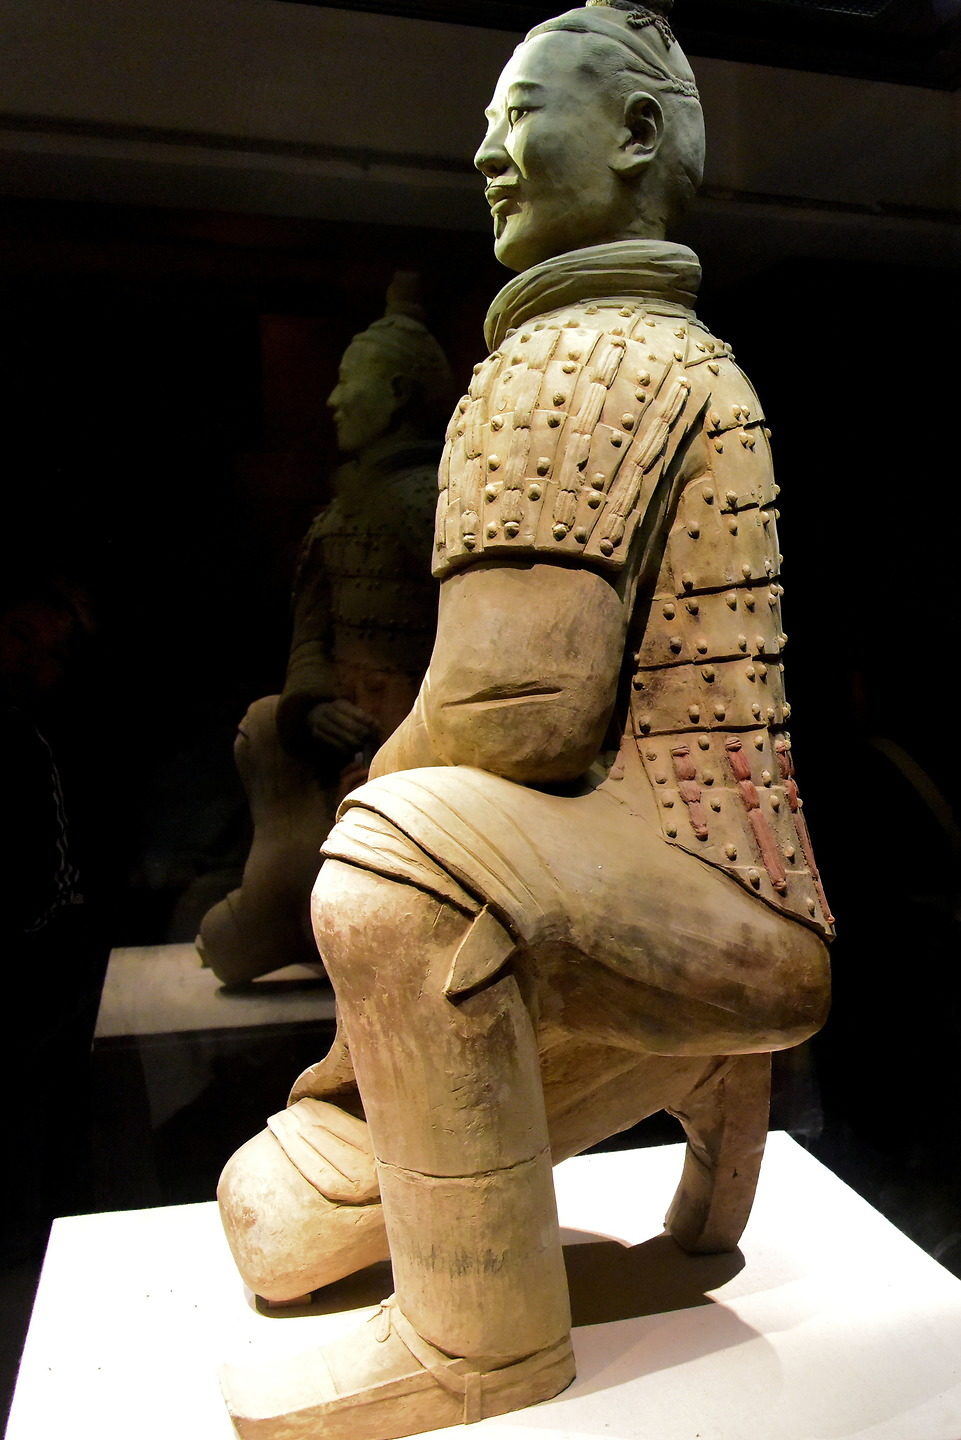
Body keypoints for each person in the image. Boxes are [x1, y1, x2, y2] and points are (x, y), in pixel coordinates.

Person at [220, 5, 833, 1435]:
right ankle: (685, 1120)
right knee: (274, 1212)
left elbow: (518, 711)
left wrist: (376, 827)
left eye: (520, 111)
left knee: (391, 863)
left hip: (697, 903)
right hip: (731, 899)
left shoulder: (575, 362)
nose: (485, 147)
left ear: (631, 137)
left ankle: (479, 1339)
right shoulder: (668, 354)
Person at [198, 277, 451, 985]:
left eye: (350, 384)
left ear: (398, 393)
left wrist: (404, 732)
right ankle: (291, 906)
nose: (334, 400)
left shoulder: (435, 506)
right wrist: (311, 705)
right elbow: (309, 635)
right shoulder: (338, 516)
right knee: (263, 722)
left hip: (420, 739)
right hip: (336, 739)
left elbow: (464, 640)